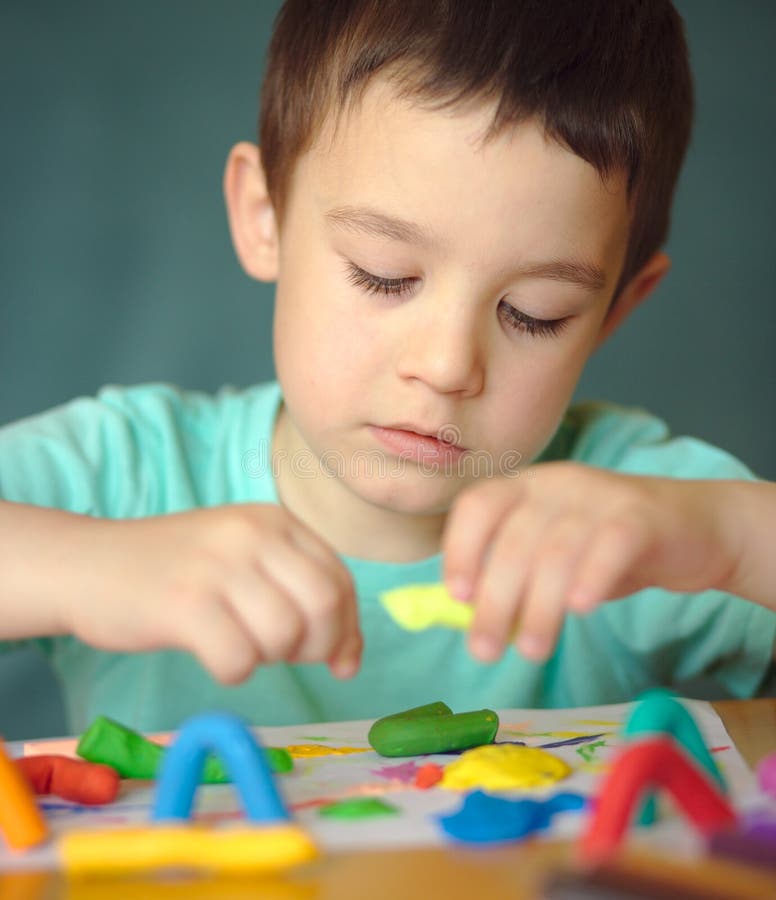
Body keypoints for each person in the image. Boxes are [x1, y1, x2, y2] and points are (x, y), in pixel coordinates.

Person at [0, 0, 773, 734]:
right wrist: (88, 566)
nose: (445, 367)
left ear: (616, 311)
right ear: (265, 217)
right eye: (384, 275)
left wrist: (729, 538)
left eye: (534, 313)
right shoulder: (131, 478)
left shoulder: (633, 521)